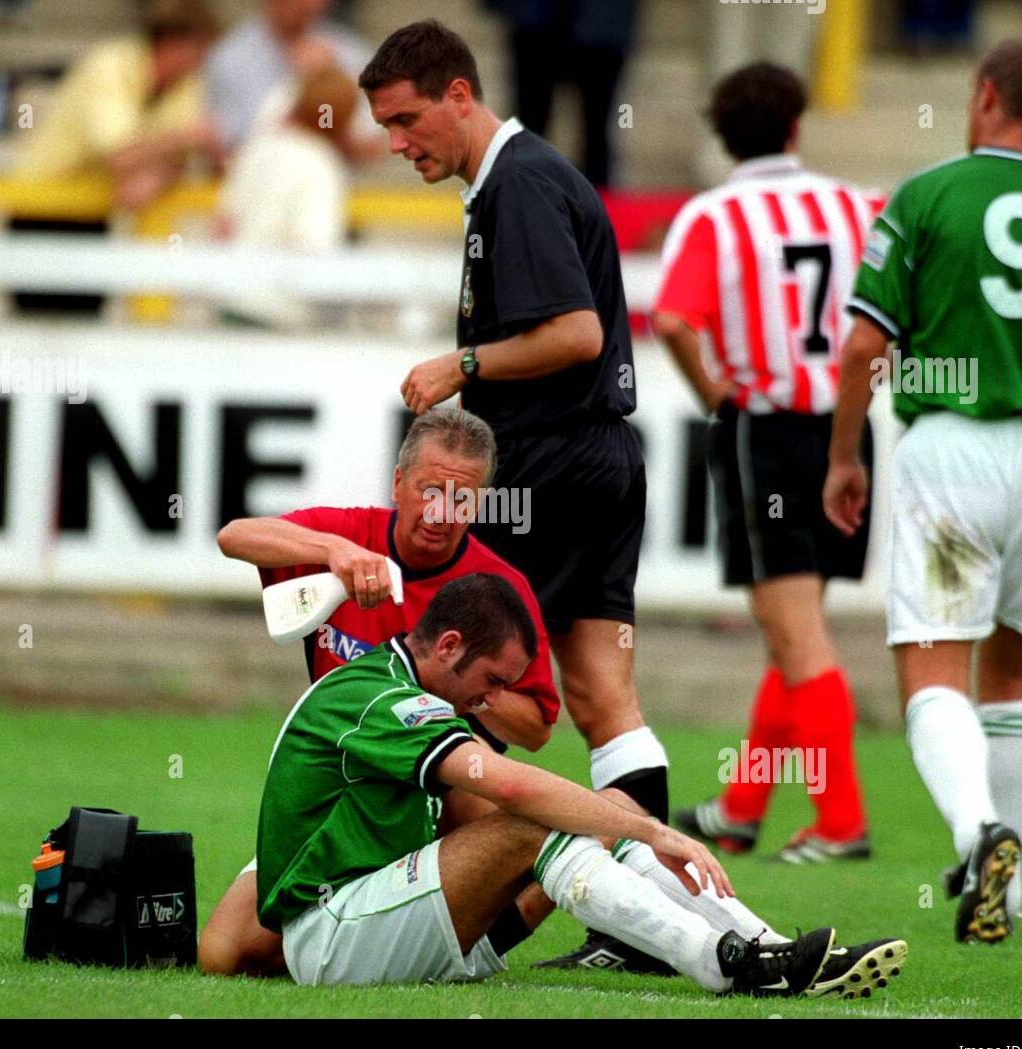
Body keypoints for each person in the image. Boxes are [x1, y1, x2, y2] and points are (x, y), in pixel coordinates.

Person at [358, 19, 673, 973]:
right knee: (601, 693)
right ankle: (648, 921)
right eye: (384, 127)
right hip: (602, 459)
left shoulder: (520, 182)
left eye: (409, 120)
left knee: (459, 664)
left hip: (550, 466)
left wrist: (459, 364)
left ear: (461, 94)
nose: (400, 142)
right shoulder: (517, 180)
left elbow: (576, 332)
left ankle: (448, 893)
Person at [258, 571, 909, 997]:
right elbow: (511, 789)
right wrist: (653, 830)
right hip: (333, 937)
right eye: (493, 679)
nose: (495, 698)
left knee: (610, 806)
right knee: (544, 821)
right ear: (449, 643)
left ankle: (769, 948)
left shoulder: (409, 692)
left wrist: (625, 822)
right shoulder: (373, 695)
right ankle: (726, 962)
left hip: (401, 916)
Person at [824, 40, 1022, 943]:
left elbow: (861, 349)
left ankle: (975, 833)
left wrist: (845, 457)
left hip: (953, 449)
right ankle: (1012, 884)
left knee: (930, 663)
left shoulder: (927, 197)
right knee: (1017, 672)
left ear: (985, 94)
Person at [198, 408, 561, 976]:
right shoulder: (347, 539)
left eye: (461, 501)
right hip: (344, 792)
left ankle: (526, 894)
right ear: (398, 483)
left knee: (480, 786)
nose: (441, 513)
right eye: (429, 491)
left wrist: (457, 689)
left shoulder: (496, 592)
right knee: (223, 956)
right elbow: (232, 536)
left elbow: (538, 726)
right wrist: (330, 552)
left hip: (438, 793)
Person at [651, 63, 882, 865]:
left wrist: (719, 393)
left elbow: (674, 318)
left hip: (771, 429)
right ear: (795, 126)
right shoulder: (857, 206)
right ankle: (743, 805)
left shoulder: (715, 215)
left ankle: (841, 821)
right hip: (847, 429)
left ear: (722, 135)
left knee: (795, 632)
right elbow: (898, 312)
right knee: (794, 628)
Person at [12, 0, 221, 210]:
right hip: (41, 203)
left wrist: (158, 175)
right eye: (201, 49)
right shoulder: (108, 66)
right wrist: (186, 140)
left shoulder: (186, 83)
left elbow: (176, 159)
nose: (205, 60)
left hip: (92, 209)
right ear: (172, 43)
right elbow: (121, 156)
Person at [215, 62, 360, 329]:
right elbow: (313, 248)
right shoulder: (321, 164)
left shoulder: (256, 147)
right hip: (279, 322)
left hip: (229, 306)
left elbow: (223, 226)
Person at [481, 0, 637, 187]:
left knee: (598, 133)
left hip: (601, 25)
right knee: (528, 129)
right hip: (537, 20)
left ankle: (595, 201)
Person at [205, 0, 378, 159]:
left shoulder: (348, 52)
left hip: (330, 185)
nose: (310, 5)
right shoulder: (229, 59)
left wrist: (327, 90)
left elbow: (371, 146)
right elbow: (227, 151)